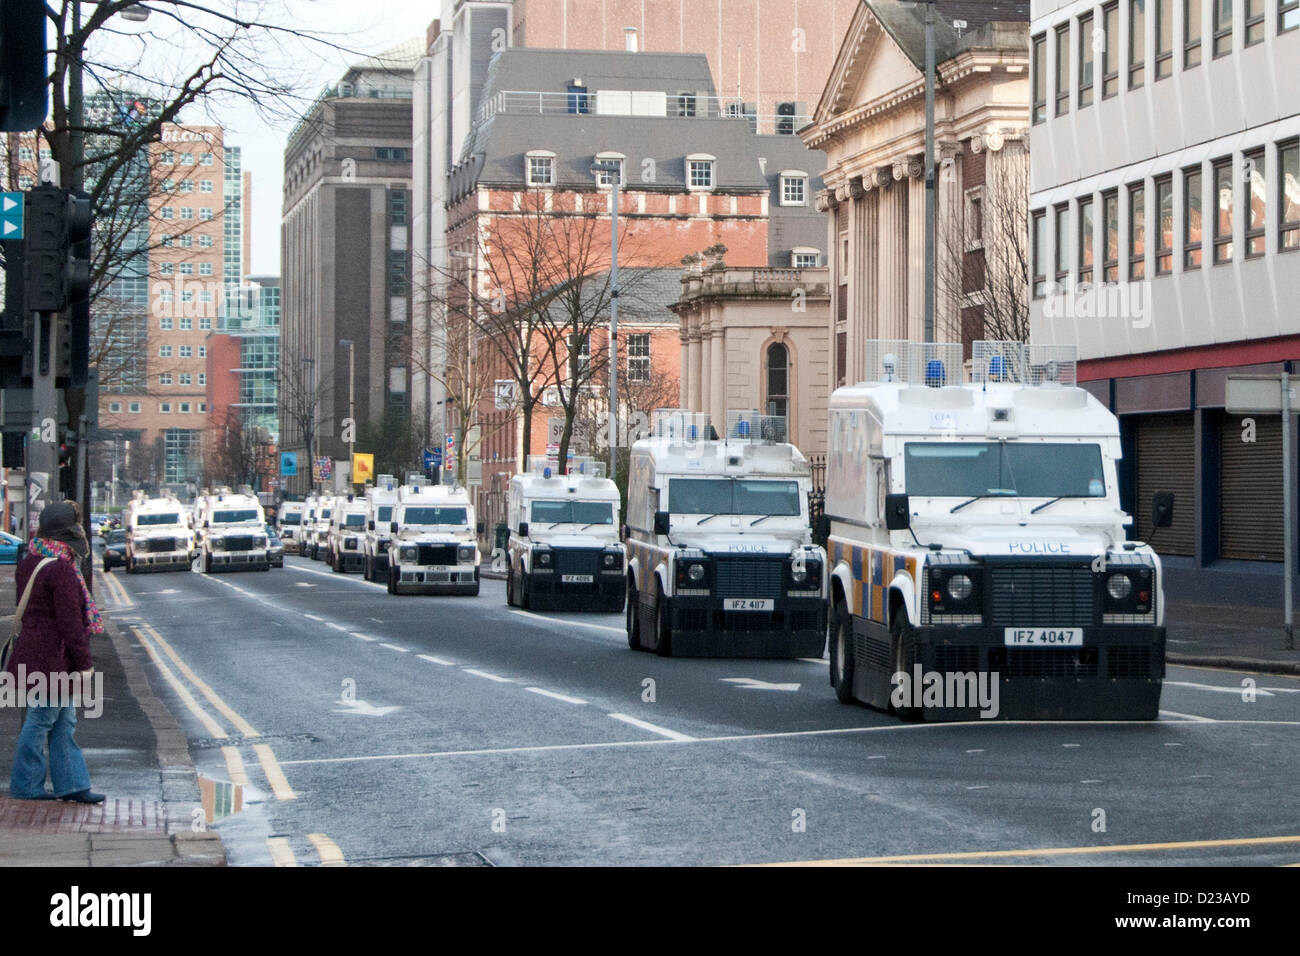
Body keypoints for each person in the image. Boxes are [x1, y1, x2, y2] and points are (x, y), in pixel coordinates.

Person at [6, 502, 106, 803]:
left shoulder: (31, 560)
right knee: (42, 720)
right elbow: (70, 623)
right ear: (69, 532)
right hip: (53, 659)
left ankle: (72, 784)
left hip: (37, 653)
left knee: (63, 721)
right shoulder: (61, 569)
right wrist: (84, 664)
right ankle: (26, 785)